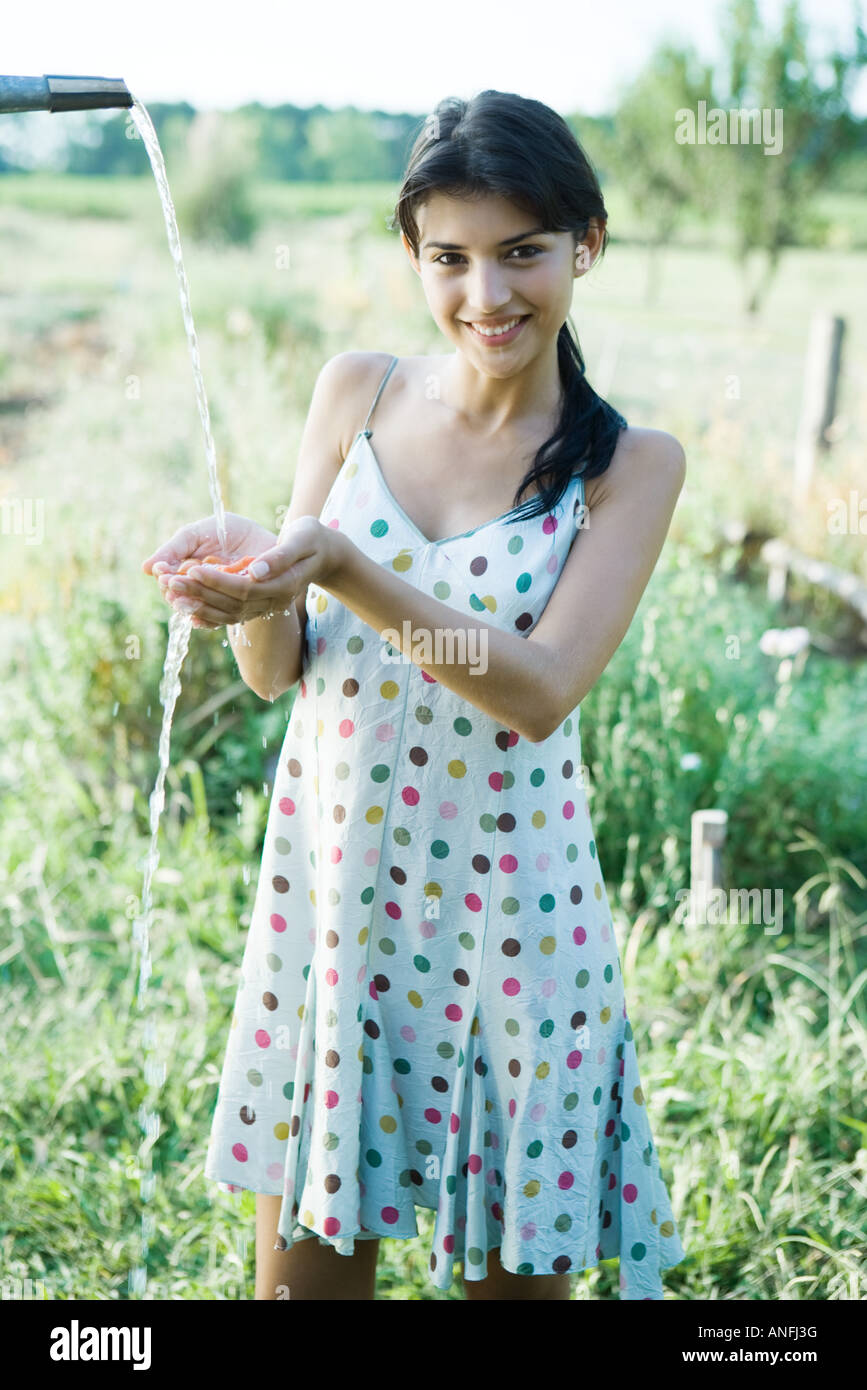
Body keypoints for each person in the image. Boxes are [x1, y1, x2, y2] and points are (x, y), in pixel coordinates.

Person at [141, 89, 688, 1302]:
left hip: (516, 931)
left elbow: (539, 691)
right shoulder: (357, 394)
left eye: (522, 253)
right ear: (413, 255)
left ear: (586, 244)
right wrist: (254, 571)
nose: (485, 297)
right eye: (450, 258)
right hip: (343, 909)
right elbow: (279, 669)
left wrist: (340, 562)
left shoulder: (627, 466)